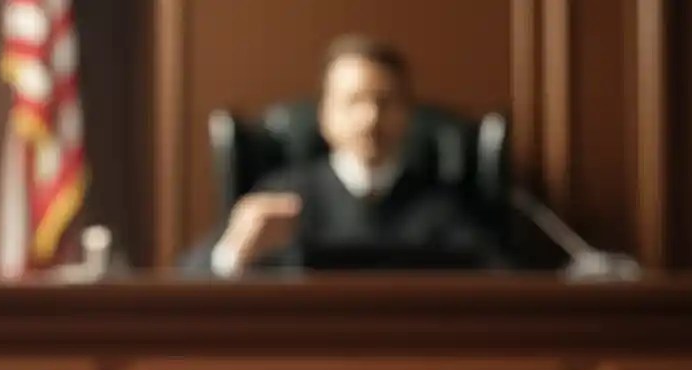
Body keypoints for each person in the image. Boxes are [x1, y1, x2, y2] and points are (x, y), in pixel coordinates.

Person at [182, 35, 511, 277]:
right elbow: (187, 282)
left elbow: (508, 283)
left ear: (408, 115)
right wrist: (236, 251)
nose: (370, 118)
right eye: (353, 101)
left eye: (384, 102)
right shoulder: (280, 195)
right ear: (324, 116)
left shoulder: (443, 205)